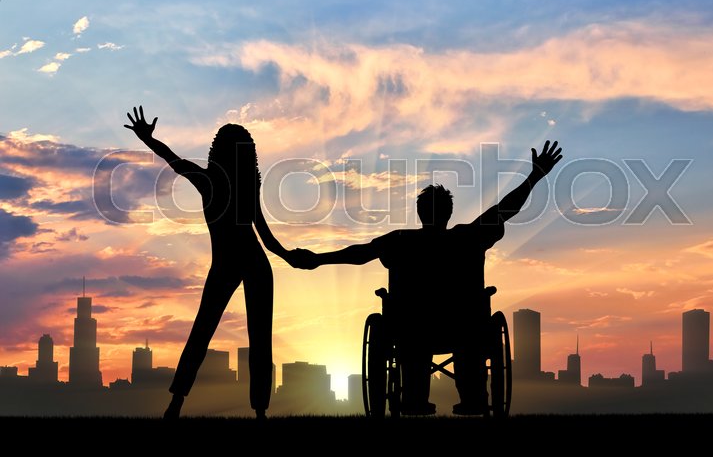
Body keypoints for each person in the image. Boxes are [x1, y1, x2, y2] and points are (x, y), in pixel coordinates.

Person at [294, 140, 563, 415]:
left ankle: (414, 398)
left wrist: (317, 259)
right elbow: (506, 208)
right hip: (463, 323)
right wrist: (535, 175)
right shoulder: (468, 238)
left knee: (414, 335)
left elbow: (360, 254)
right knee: (464, 333)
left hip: (411, 326)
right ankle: (472, 398)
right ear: (449, 212)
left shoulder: (400, 241)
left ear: (420, 212)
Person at [124, 106, 299, 419]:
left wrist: (148, 139)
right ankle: (256, 411)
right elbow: (265, 236)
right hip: (250, 262)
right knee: (250, 337)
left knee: (206, 332)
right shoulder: (231, 183)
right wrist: (289, 256)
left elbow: (174, 160)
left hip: (233, 263)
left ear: (216, 152)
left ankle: (177, 404)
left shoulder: (213, 181)